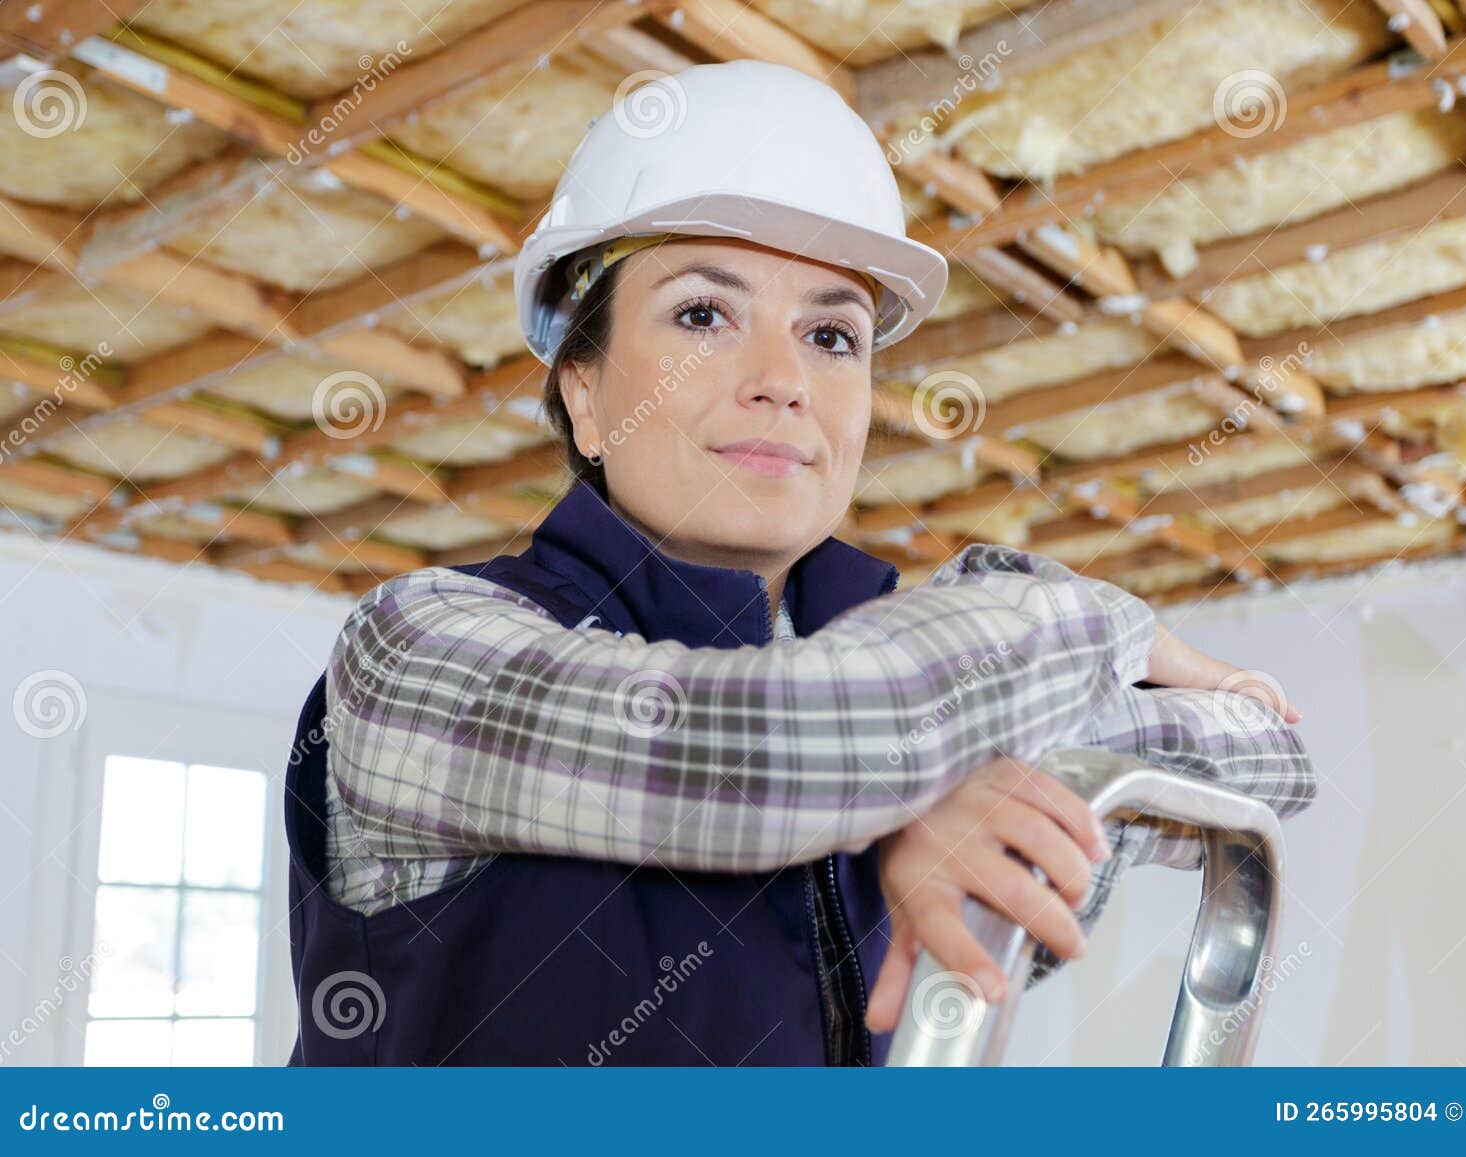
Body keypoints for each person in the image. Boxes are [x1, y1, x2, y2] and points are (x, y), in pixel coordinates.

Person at [281, 59, 1314, 1066]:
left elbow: (1268, 755)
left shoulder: (929, 701)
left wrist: (943, 767)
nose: (783, 380)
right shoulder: (414, 649)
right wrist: (1097, 619)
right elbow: (783, 745)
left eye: (832, 335)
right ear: (585, 393)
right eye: (702, 313)